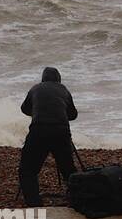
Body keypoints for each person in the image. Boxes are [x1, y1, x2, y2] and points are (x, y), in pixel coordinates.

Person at [18, 66, 78, 206]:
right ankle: (77, 197)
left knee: (28, 169)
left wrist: (38, 110)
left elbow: (24, 109)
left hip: (38, 129)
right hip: (61, 131)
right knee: (68, 168)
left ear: (43, 78)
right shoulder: (64, 90)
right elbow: (73, 115)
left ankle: (33, 202)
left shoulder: (35, 88)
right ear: (59, 79)